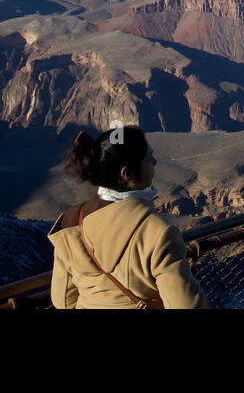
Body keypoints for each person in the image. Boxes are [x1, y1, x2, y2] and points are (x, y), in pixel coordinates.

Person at [49, 124, 210, 308]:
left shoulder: (70, 221)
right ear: (127, 174)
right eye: (149, 159)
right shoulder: (158, 233)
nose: (156, 162)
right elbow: (186, 305)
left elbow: (62, 301)